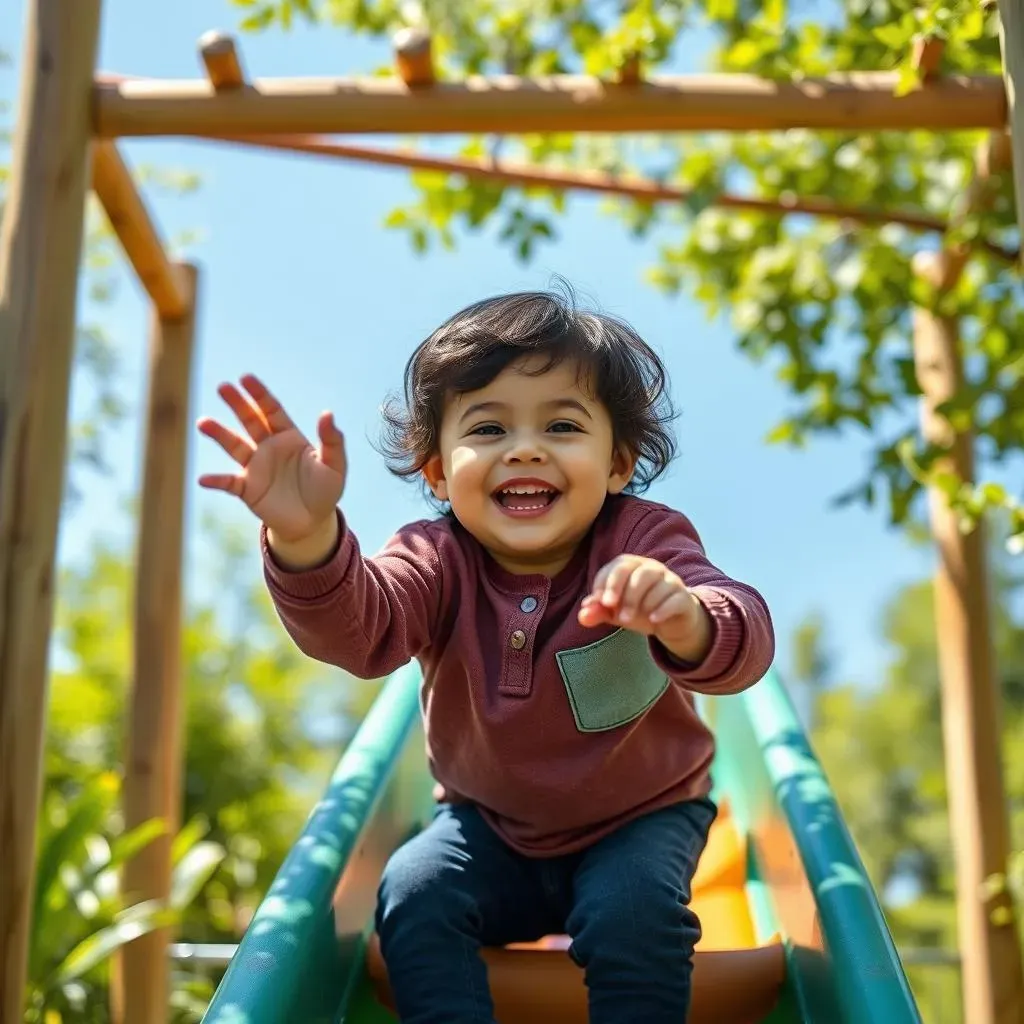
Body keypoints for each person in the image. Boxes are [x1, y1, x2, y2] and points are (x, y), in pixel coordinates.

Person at [196, 285, 775, 1024]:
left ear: (618, 463)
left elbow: (745, 632)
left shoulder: (644, 540)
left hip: (643, 816)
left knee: (634, 915)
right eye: (489, 427)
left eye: (563, 425)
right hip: (489, 829)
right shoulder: (434, 559)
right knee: (414, 891)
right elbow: (363, 631)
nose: (525, 447)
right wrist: (307, 542)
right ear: (438, 472)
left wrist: (688, 618)